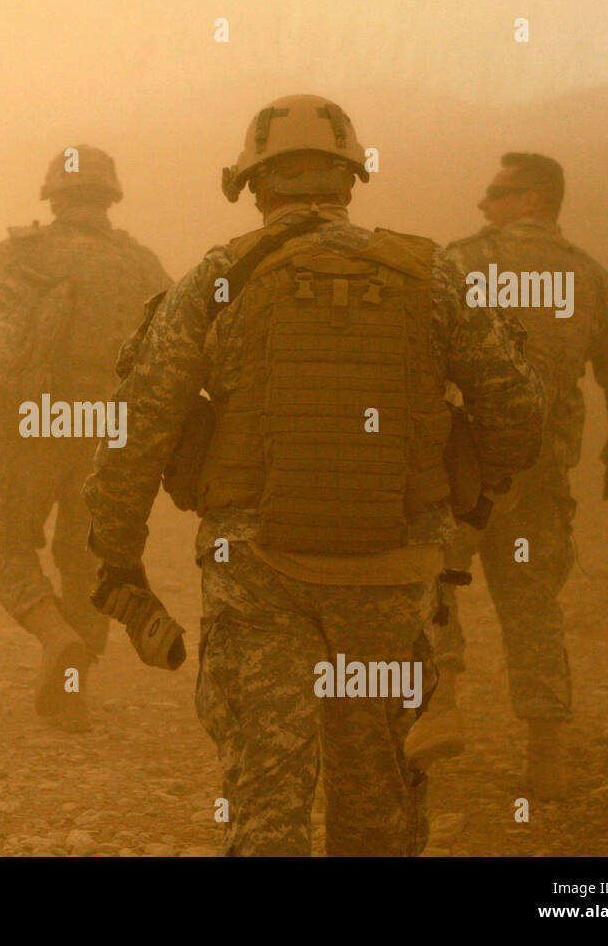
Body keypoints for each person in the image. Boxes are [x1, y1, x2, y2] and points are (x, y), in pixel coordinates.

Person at [83, 97, 545, 854]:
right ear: (350, 179)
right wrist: (464, 506)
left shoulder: (219, 278)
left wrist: (118, 553)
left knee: (269, 792)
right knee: (376, 789)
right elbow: (518, 414)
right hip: (392, 574)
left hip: (259, 571)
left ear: (255, 185)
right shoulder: (433, 273)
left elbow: (139, 426)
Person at [409, 153, 608, 799]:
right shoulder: (589, 277)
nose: (483, 204)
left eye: (495, 192)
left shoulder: (459, 263)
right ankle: (547, 758)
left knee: (430, 584)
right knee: (534, 608)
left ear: (532, 199)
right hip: (541, 477)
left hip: (459, 474)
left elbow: (412, 358)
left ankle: (441, 707)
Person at [0, 146, 171, 732]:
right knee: (89, 558)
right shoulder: (141, 265)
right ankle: (74, 691)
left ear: (52, 196)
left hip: (40, 420)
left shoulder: (26, 250)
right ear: (110, 195)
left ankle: (53, 636)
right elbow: (177, 342)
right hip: (110, 431)